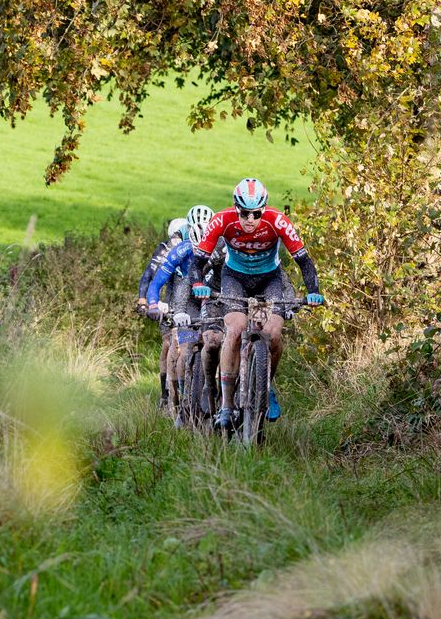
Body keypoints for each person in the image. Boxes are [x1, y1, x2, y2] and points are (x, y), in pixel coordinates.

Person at [189, 178, 323, 431]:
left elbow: (304, 261)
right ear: (235, 208)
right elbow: (198, 261)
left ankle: (265, 385)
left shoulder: (278, 221)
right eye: (244, 213)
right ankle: (227, 405)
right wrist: (197, 283)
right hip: (235, 278)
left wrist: (314, 292)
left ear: (264, 209)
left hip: (268, 280)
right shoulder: (221, 220)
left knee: (273, 333)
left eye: (256, 214)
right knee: (236, 329)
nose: (250, 219)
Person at [147, 205, 223, 424]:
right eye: (198, 250)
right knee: (185, 348)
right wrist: (154, 304)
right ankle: (183, 402)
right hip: (188, 301)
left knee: (222, 342)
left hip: (214, 299)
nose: (202, 254)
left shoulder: (223, 248)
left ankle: (221, 396)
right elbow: (157, 282)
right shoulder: (181, 250)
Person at [137, 217, 187, 410]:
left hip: (189, 299)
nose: (177, 241)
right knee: (169, 342)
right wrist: (144, 300)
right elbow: (148, 276)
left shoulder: (195, 247)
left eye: (180, 237)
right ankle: (165, 394)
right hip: (169, 300)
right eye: (175, 237)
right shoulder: (164, 250)